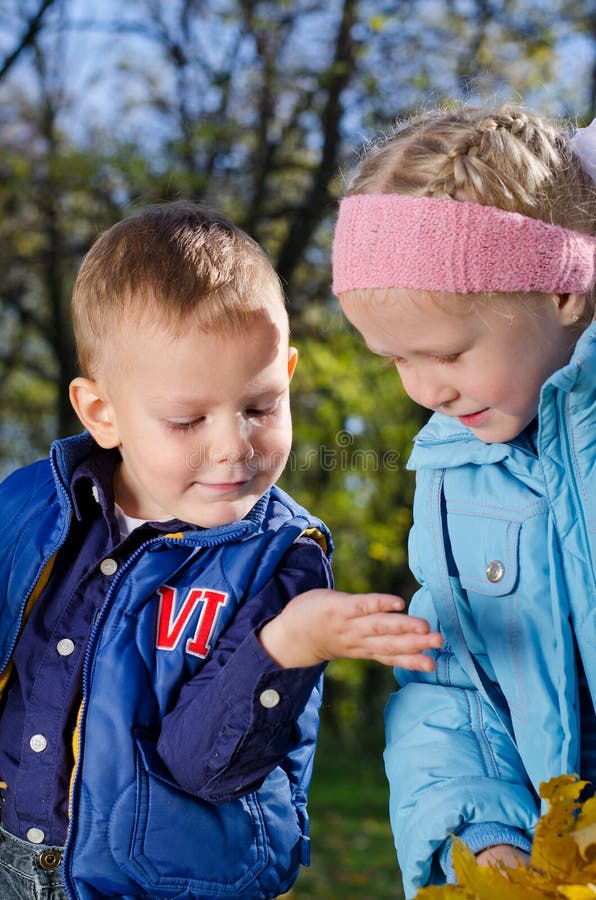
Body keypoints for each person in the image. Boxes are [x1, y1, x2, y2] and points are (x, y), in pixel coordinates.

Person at [0, 201, 442, 900]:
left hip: (163, 884)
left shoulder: (282, 561)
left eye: (261, 407)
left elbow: (203, 767)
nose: (233, 445)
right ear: (101, 413)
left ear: (287, 374)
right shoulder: (33, 508)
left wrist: (285, 646)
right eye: (187, 419)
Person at [331, 103, 596, 898]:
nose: (425, 390)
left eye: (446, 352)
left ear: (562, 292)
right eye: (395, 361)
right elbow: (453, 682)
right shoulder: (455, 469)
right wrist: (482, 838)